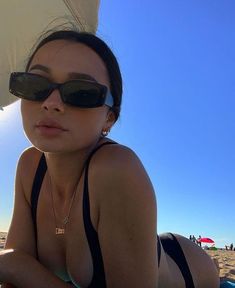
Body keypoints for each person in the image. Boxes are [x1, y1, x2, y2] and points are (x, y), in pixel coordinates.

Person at [0, 30, 219, 287]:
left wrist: (16, 265)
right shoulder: (30, 166)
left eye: (81, 91)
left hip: (188, 268)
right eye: (35, 84)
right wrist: (16, 267)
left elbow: (16, 267)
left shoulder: (116, 168)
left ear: (109, 118)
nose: (51, 102)